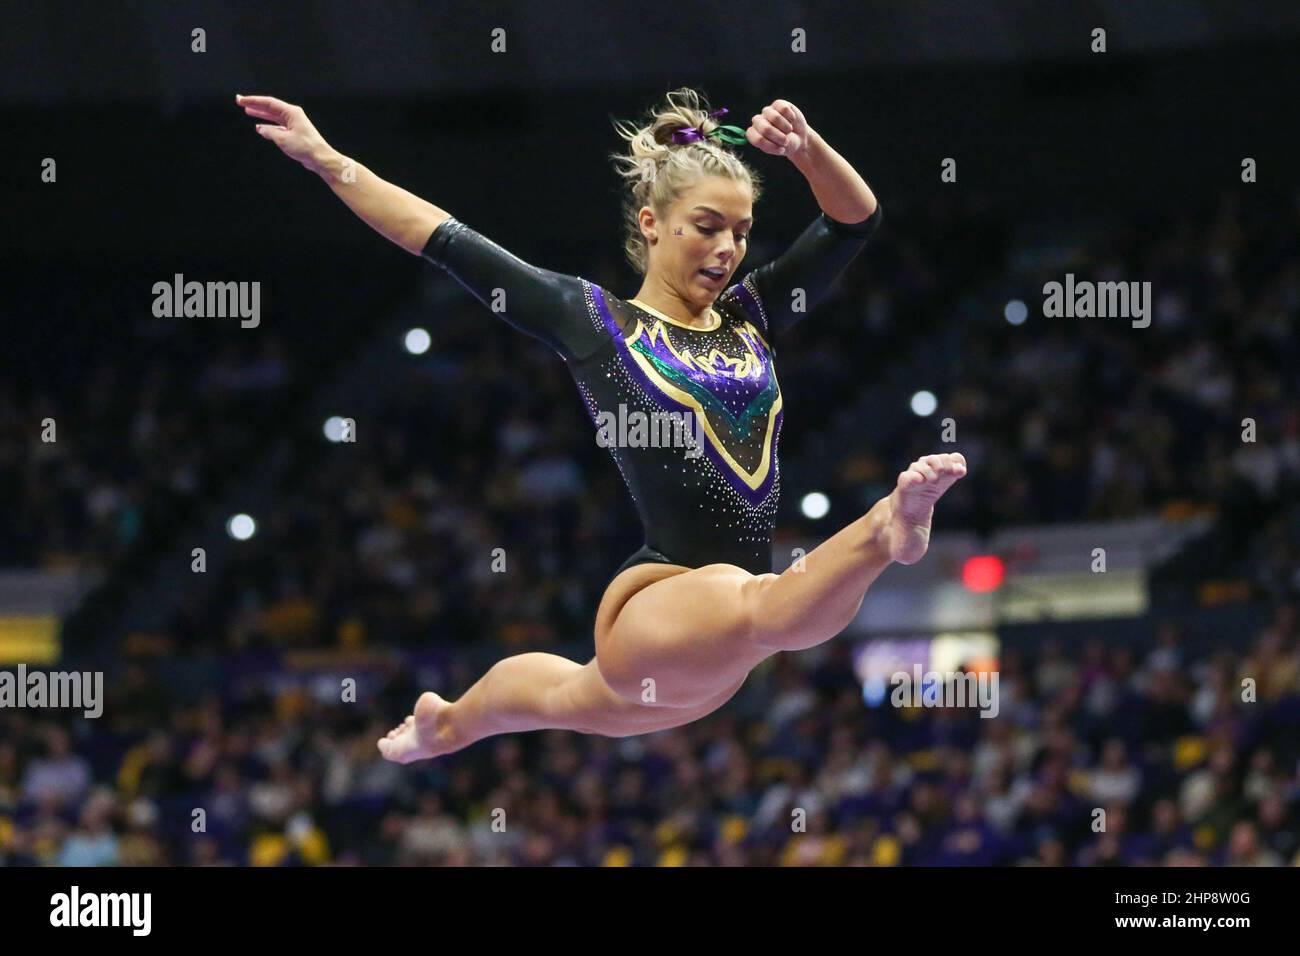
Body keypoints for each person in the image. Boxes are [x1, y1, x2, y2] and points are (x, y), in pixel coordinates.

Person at [237, 87, 966, 762]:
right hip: (665, 607)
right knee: (775, 609)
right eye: (707, 227)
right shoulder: (595, 322)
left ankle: (449, 722)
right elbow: (443, 237)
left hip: (707, 651)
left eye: (742, 233)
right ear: (652, 224)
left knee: (566, 695)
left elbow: (854, 220)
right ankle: (882, 530)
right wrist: (331, 161)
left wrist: (806, 149)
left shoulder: (755, 318)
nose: (727, 249)